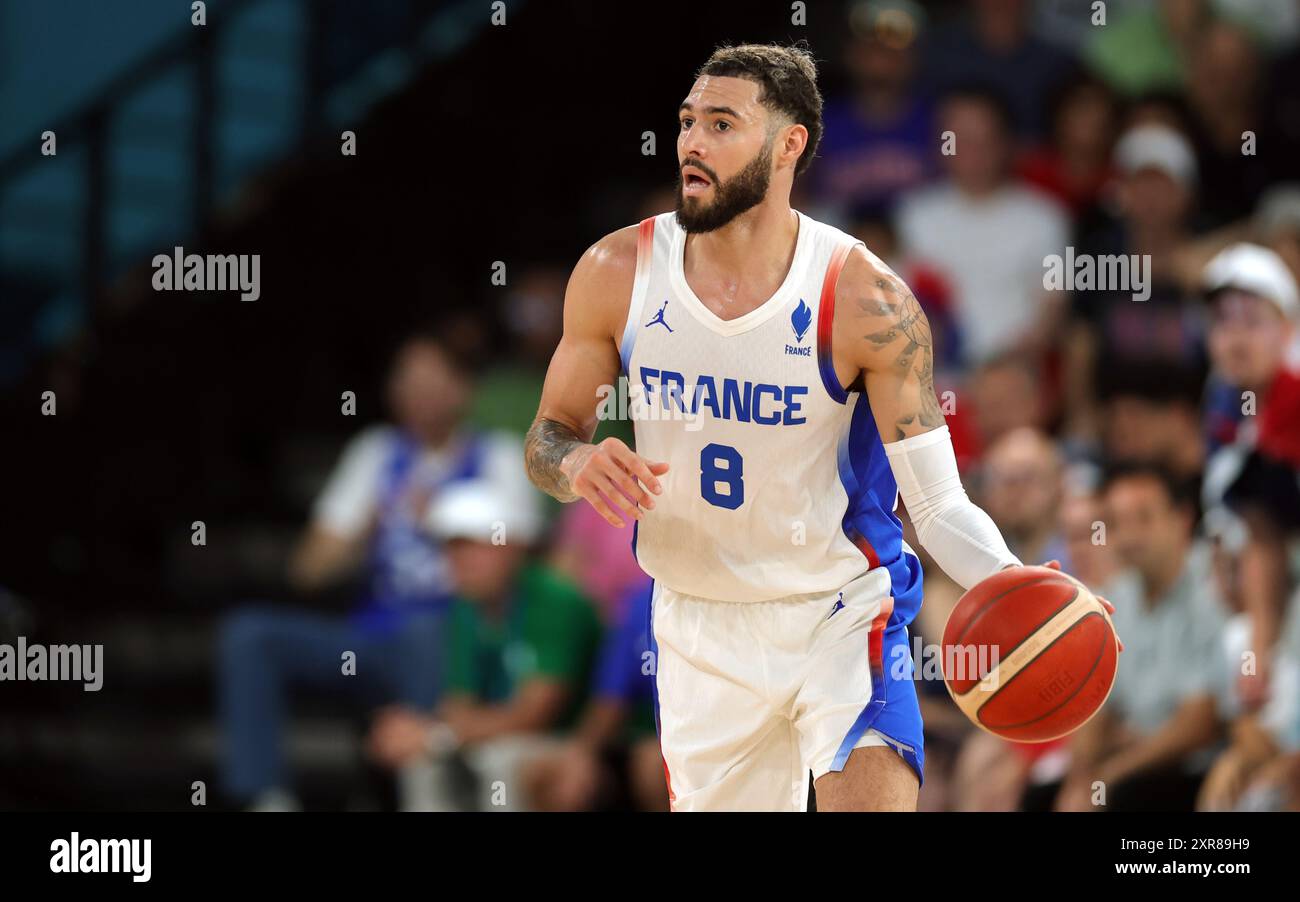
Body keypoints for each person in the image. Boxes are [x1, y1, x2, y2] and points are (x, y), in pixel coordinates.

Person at [523, 43, 1114, 812]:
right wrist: (572, 465)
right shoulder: (615, 272)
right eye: (687, 122)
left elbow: (935, 506)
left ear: (789, 145)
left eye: (722, 124)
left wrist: (1022, 588)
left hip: (842, 613)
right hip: (698, 624)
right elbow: (547, 438)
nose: (692, 143)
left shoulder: (866, 298)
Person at [217, 334, 537, 811]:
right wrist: (366, 524)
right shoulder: (374, 453)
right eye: (406, 379)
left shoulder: (498, 455)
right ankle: (266, 798)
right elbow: (307, 571)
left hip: (457, 633)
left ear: (463, 389)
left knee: (428, 633)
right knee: (249, 634)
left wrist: (441, 519)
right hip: (369, 638)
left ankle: (426, 792)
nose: (416, 392)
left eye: (431, 379)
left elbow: (520, 554)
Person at [365, 481, 602, 811]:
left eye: (475, 547)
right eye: (453, 548)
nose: (460, 560)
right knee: (421, 761)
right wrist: (432, 735)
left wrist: (435, 735)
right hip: (501, 737)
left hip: (577, 743)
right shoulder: (465, 607)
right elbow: (458, 703)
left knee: (499, 763)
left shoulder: (555, 601)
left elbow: (535, 715)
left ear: (514, 546)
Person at [1047, 463, 1226, 812]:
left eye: (1144, 518)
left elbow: (1198, 725)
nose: (1128, 537)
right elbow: (1096, 706)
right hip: (1132, 753)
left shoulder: (1212, 591)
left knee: (1121, 796)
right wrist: (1080, 778)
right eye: (1116, 523)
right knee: (1043, 795)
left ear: (1183, 519)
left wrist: (1110, 773)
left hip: (1188, 766)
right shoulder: (1115, 597)